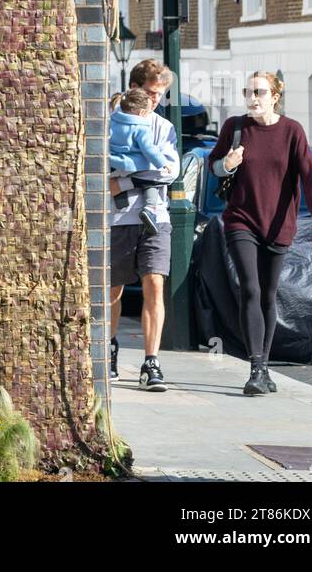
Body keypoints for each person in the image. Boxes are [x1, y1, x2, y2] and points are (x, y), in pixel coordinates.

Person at [208, 71, 312, 397]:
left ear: (275, 96)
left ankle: (264, 366)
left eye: (259, 92)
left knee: (268, 293)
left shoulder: (292, 131)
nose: (252, 98)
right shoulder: (235, 127)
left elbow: (308, 172)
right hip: (241, 220)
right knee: (250, 287)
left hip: (278, 224)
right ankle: (257, 368)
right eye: (248, 92)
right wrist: (228, 163)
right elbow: (213, 165)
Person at [109, 59, 179, 392]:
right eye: (151, 93)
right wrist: (143, 172)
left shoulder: (164, 127)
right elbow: (102, 166)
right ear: (135, 88)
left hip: (156, 218)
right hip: (118, 218)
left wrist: (126, 178)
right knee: (113, 289)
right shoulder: (113, 121)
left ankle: (151, 362)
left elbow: (169, 172)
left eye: (160, 95)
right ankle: (108, 348)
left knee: (154, 283)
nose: (155, 101)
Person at [109, 87, 171, 234]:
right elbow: (149, 149)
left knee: (121, 184)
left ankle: (121, 202)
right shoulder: (141, 127)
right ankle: (149, 209)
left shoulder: (112, 121)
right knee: (151, 183)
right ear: (143, 112)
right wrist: (162, 163)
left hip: (114, 164)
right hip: (134, 166)